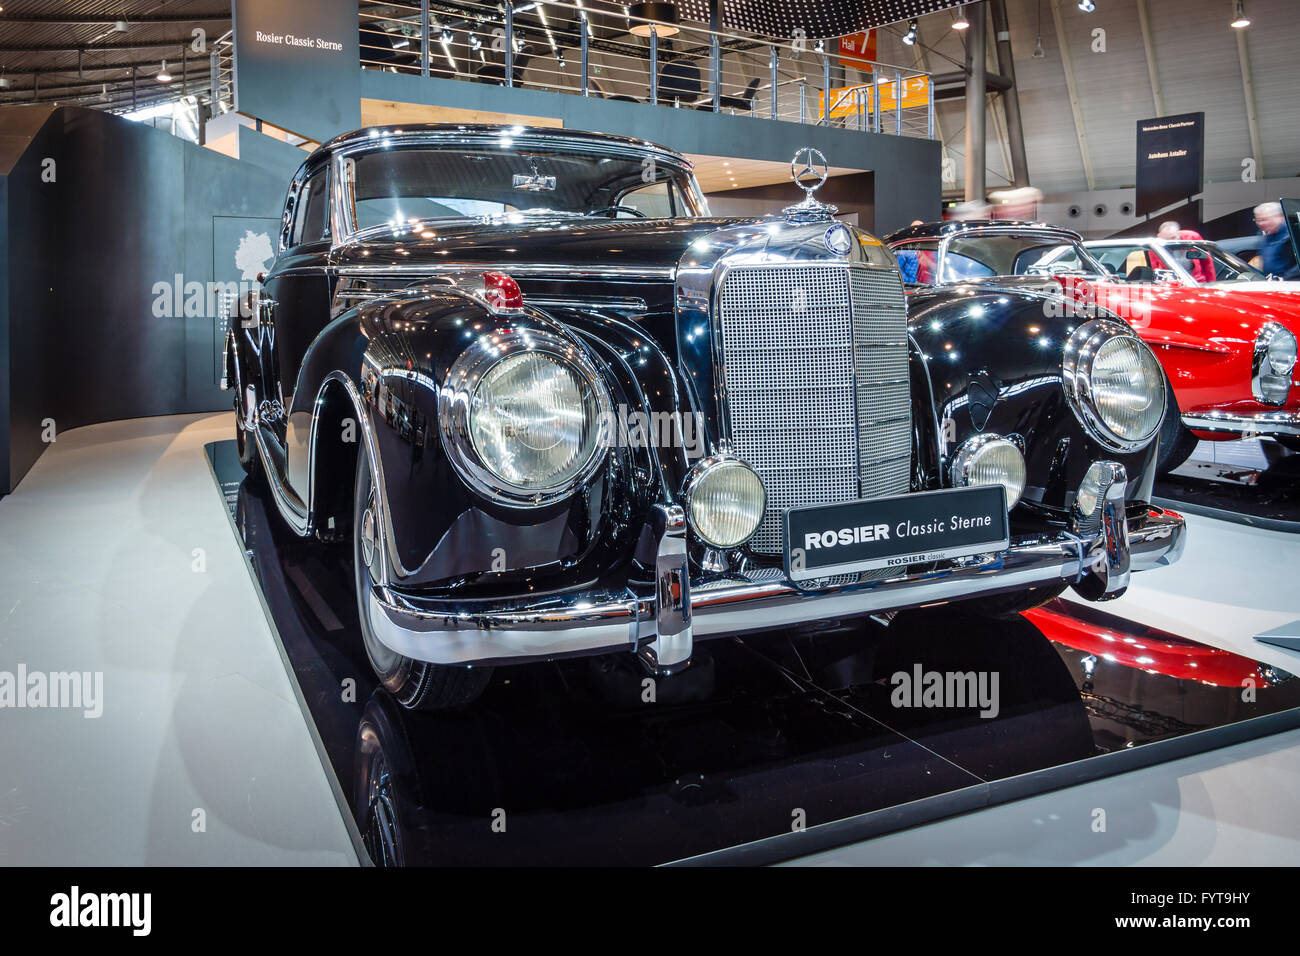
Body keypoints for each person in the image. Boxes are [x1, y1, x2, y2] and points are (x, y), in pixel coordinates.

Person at [1254, 201, 1300, 279]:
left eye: (1264, 219)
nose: (1260, 223)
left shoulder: (1293, 233)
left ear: (1279, 216)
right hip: (1272, 284)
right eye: (1258, 220)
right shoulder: (1265, 235)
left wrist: (1286, 279)